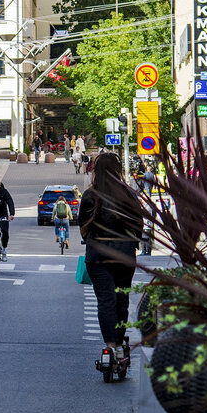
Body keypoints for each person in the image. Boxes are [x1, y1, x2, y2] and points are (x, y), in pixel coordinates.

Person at [78, 151, 142, 362]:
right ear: (118, 171)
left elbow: (83, 226)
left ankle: (110, 346)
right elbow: (138, 225)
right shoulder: (130, 194)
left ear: (96, 171)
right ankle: (122, 344)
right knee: (121, 301)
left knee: (105, 301)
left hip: (98, 256)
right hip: (124, 255)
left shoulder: (90, 195)